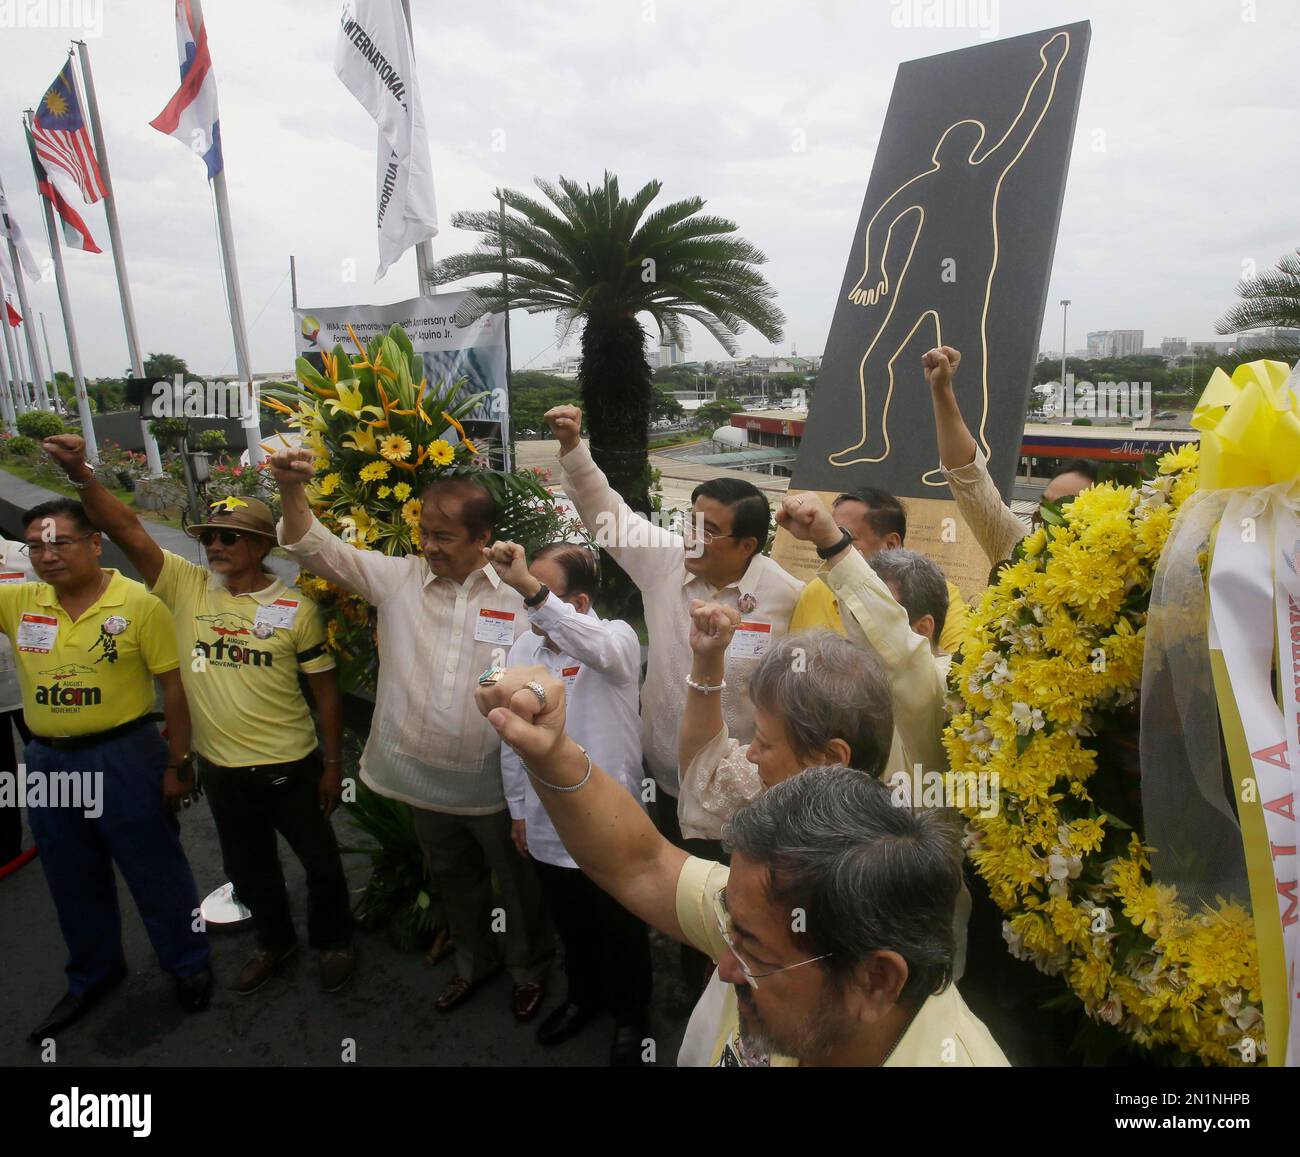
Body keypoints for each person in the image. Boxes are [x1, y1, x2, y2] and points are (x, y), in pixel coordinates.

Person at [476, 665, 1009, 1067]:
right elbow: (641, 864)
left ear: (875, 980)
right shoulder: (773, 905)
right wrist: (550, 751)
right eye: (729, 927)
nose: (724, 967)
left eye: (751, 949)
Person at [42, 435, 355, 996]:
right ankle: (275, 942)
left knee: (321, 864)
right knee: (251, 868)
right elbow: (129, 531)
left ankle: (333, 942)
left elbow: (326, 693)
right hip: (223, 771)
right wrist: (83, 476)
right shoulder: (187, 587)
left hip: (293, 765)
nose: (215, 544)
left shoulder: (295, 609)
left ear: (260, 546)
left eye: (229, 537)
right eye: (209, 536)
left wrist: (333, 764)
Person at [270, 446, 554, 1020]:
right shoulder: (398, 581)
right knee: (453, 878)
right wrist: (291, 491)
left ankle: (530, 968)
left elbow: (566, 659)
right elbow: (314, 546)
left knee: (519, 885)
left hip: (498, 784)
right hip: (425, 779)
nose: (429, 546)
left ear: (483, 536)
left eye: (444, 536)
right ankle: (475, 963)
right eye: (425, 532)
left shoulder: (519, 596)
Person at [544, 404, 803, 855]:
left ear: (747, 545)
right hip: (664, 776)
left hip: (742, 793)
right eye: (690, 521)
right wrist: (573, 447)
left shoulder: (788, 597)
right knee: (671, 881)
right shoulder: (664, 561)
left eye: (708, 530)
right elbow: (610, 515)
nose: (690, 536)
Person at [0, 499, 211, 1042]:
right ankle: (94, 973)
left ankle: (187, 963)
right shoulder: (19, 601)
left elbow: (175, 688)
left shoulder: (139, 605)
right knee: (69, 874)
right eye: (37, 546)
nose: (47, 556)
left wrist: (179, 763)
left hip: (125, 754)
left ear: (95, 543)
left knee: (155, 868)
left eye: (60, 543)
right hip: (48, 762)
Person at [486, 539, 652, 1064]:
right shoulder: (522, 651)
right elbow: (511, 739)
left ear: (577, 604)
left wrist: (531, 591)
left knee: (621, 925)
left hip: (611, 821)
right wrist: (517, 810)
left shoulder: (617, 641)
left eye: (540, 593)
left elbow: (598, 648)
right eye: (525, 592)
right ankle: (584, 997)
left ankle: (632, 1017)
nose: (528, 604)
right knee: (573, 922)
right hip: (546, 818)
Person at [779, 494, 950, 778]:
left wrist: (833, 543)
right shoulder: (861, 689)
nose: (856, 630)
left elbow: (892, 639)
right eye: (851, 616)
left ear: (923, 628)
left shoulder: (944, 685)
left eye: (863, 616)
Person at [926, 345, 1097, 565]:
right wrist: (941, 388)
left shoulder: (1131, 585)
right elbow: (968, 480)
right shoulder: (1019, 549)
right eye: (1042, 508)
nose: (1045, 521)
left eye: (1064, 511)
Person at [787, 486, 969, 654]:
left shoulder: (938, 594)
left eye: (845, 537)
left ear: (891, 544)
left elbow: (956, 672)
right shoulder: (816, 591)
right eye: (831, 534)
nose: (832, 544)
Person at [0, 533, 35, 864]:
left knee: (45, 759)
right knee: (2, 772)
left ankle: (62, 825)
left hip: (32, 682)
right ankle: (8, 844)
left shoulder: (25, 556)